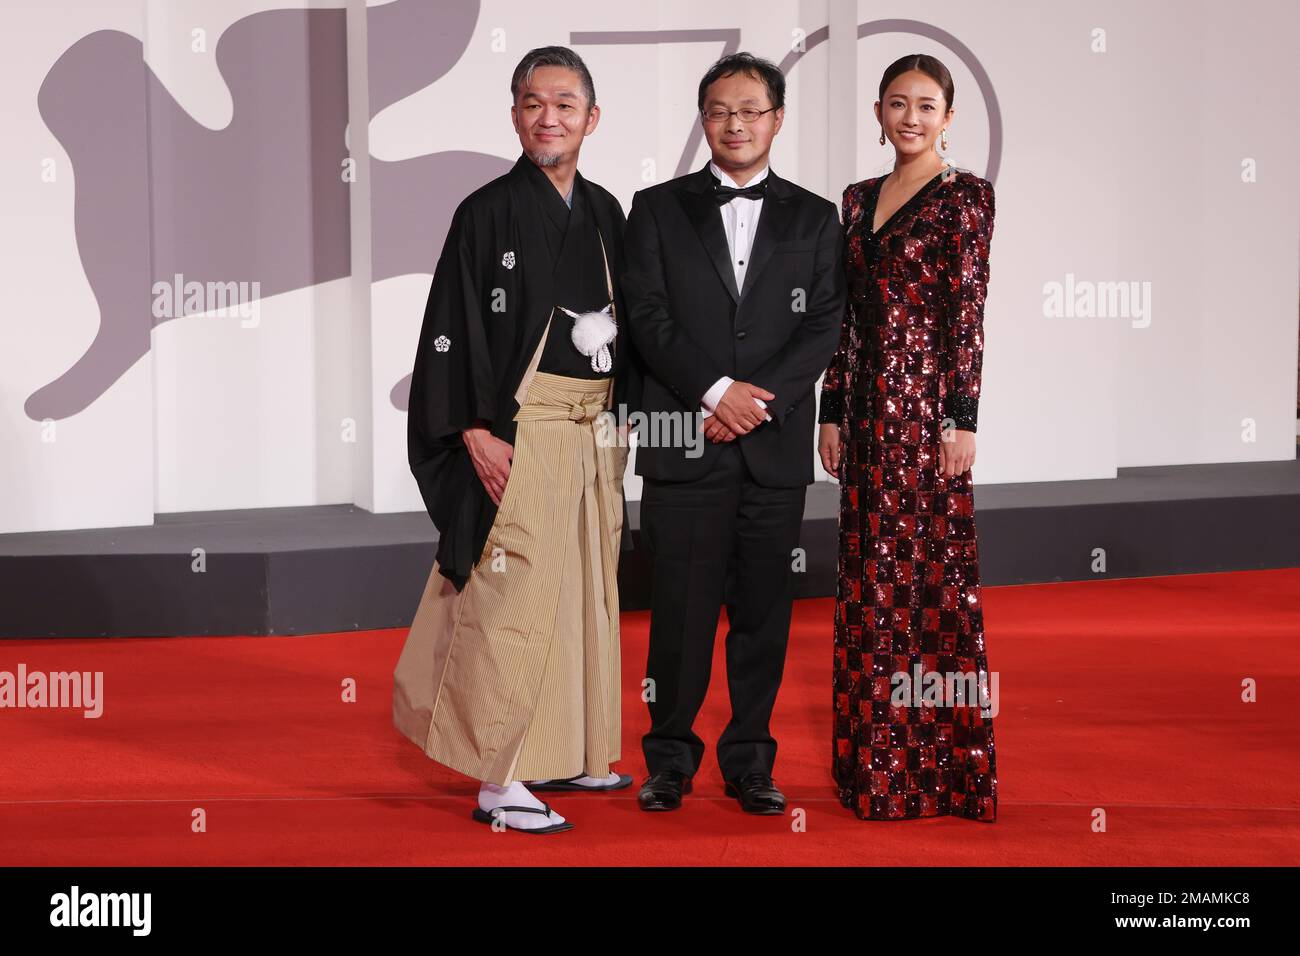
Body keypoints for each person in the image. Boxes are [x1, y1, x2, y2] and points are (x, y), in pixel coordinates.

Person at [392, 46, 643, 834]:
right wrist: (471, 428)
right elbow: (449, 331)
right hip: (519, 430)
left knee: (582, 596)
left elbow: (630, 326)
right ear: (514, 115)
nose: (549, 118)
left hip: (590, 431)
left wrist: (628, 416)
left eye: (566, 104)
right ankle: (498, 780)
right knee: (512, 598)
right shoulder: (486, 212)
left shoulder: (605, 211)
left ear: (592, 119)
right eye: (533, 103)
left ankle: (566, 748)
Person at [623, 53, 845, 814]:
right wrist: (715, 394)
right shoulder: (654, 209)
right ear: (703, 119)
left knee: (763, 615)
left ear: (777, 119)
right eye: (720, 110)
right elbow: (646, 319)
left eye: (751, 110)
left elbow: (824, 324)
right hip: (685, 438)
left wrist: (762, 402)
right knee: (678, 613)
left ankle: (751, 759)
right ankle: (669, 762)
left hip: (773, 449)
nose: (736, 123)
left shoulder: (817, 217)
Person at [817, 54, 998, 822]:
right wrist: (829, 409)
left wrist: (963, 418)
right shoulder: (855, 200)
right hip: (863, 416)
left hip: (926, 420)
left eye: (928, 105)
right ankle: (871, 767)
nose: (912, 117)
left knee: (928, 584)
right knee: (867, 588)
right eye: (898, 103)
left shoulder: (967, 199)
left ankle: (937, 772)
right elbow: (840, 316)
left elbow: (968, 313)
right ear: (880, 112)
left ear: (949, 117)